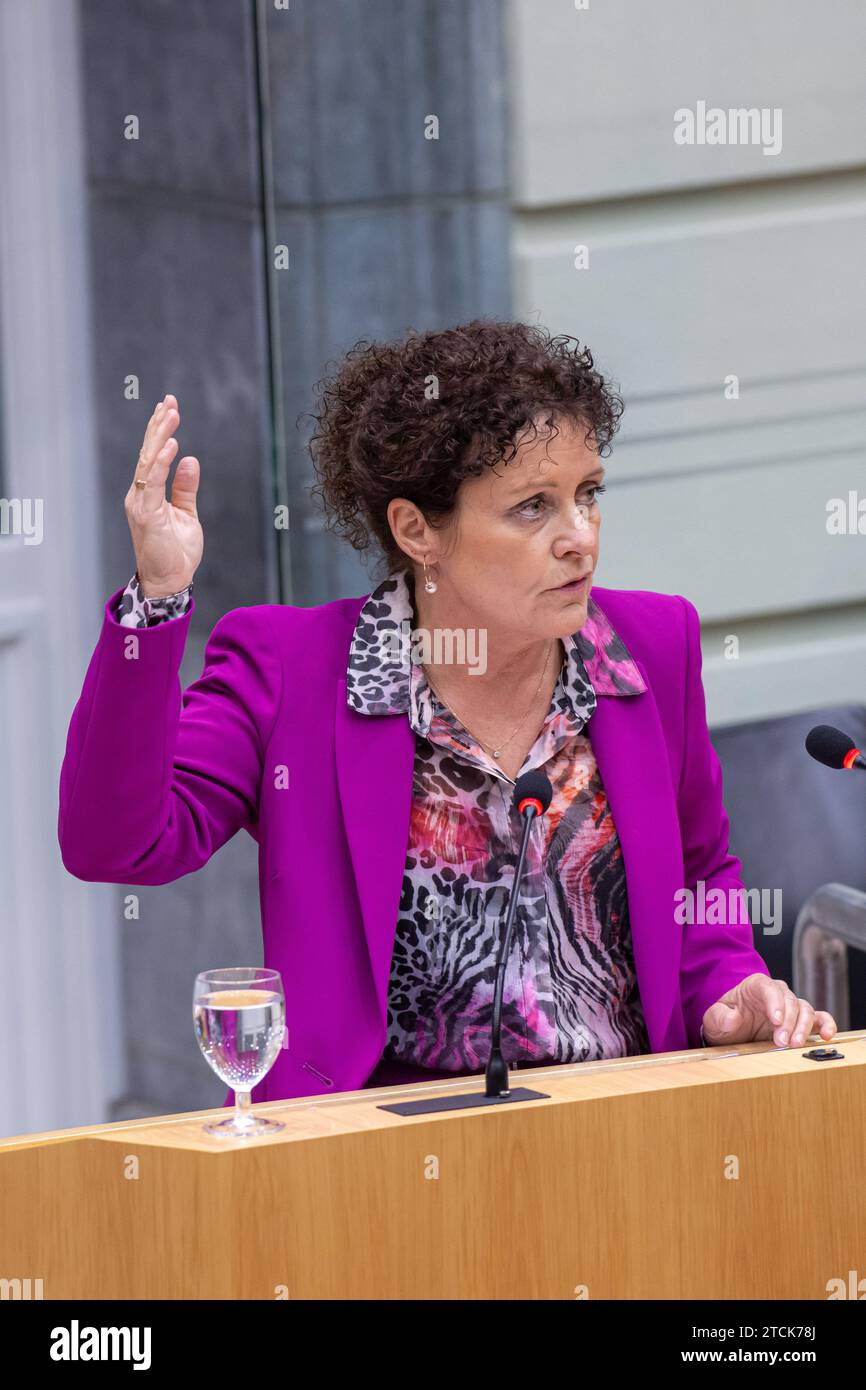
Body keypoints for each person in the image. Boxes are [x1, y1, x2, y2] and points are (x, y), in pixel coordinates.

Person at [58, 319, 837, 1104]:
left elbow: (700, 877)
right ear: (417, 529)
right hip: (378, 1153)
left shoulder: (652, 648)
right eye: (533, 507)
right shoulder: (291, 669)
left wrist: (728, 985)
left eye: (588, 494)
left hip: (625, 1134)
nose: (581, 539)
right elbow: (119, 845)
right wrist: (156, 601)